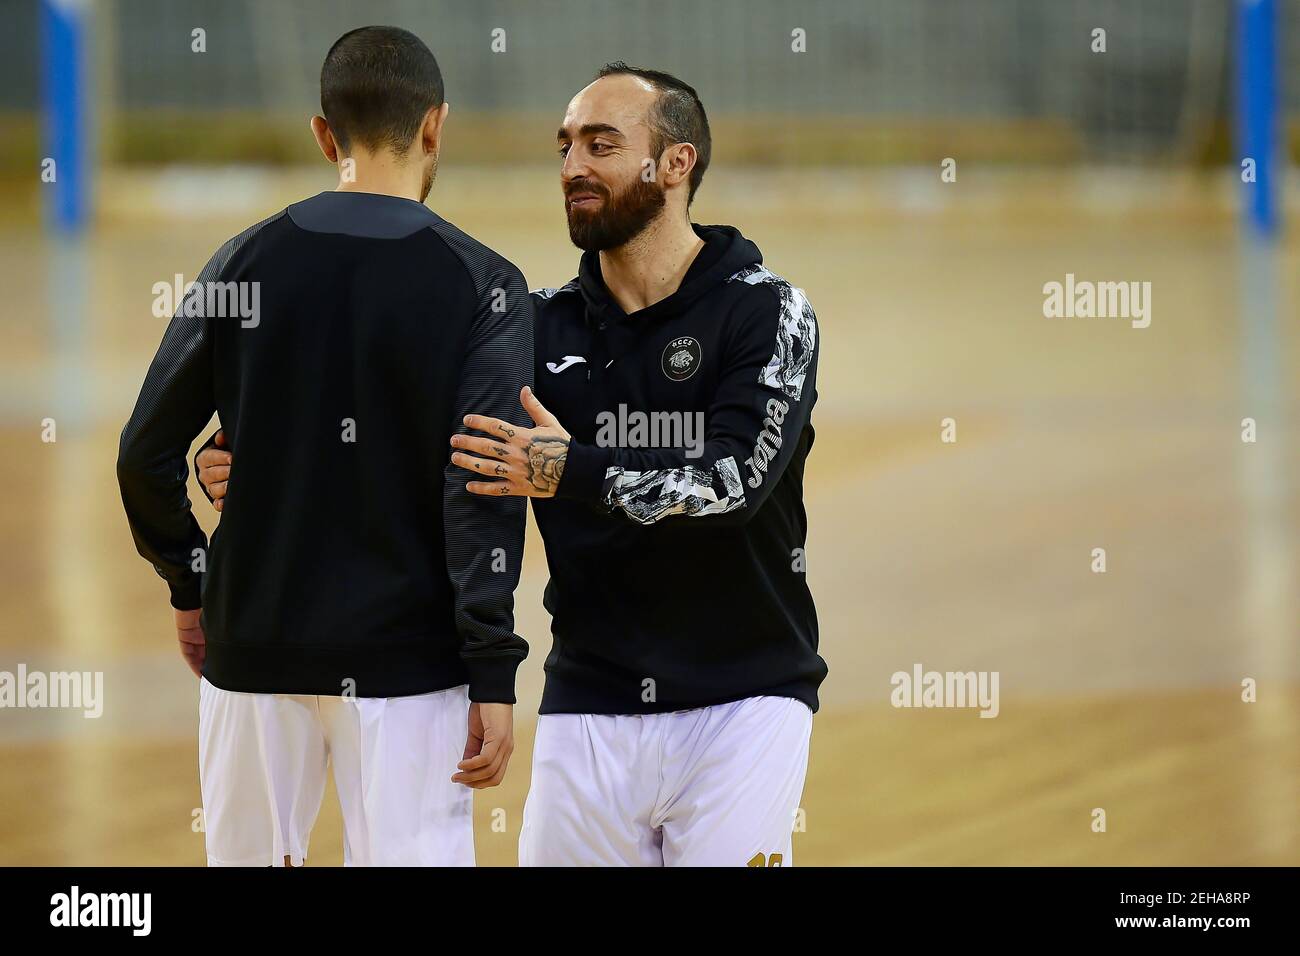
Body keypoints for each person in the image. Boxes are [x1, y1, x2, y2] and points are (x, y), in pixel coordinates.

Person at [198, 62, 825, 867]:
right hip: (585, 701)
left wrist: (572, 472)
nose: (573, 167)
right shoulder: (530, 329)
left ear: (677, 164)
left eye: (602, 145)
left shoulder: (769, 311)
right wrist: (246, 464)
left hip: (748, 700)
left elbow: (733, 482)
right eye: (564, 147)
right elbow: (401, 443)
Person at [117, 26, 530, 867]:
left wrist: (191, 582)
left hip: (252, 649)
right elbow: (480, 485)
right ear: (435, 126)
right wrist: (491, 665)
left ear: (322, 133)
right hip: (410, 669)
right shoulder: (485, 285)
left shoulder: (241, 262)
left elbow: (142, 453)